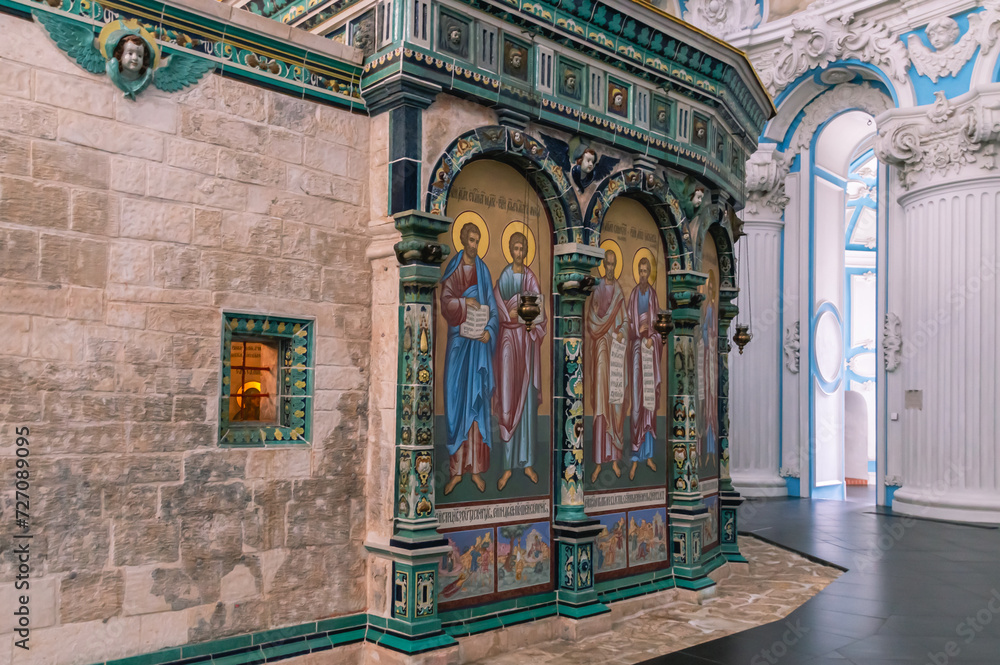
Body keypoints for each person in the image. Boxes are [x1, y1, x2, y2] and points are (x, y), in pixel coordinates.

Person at [440, 223, 499, 494]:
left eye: (477, 241)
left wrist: (489, 331)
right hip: (458, 344)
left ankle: (474, 469)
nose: (474, 245)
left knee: (477, 408)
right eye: (471, 240)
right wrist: (466, 304)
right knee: (456, 405)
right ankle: (454, 470)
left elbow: (494, 312)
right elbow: (445, 302)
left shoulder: (484, 271)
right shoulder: (453, 268)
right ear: (463, 240)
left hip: (478, 351)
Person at [493, 230, 546, 490]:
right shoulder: (504, 276)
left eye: (522, 248)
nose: (518, 252)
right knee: (507, 400)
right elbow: (497, 304)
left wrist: (528, 321)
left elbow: (539, 312)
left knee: (525, 405)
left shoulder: (530, 277)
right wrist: (510, 313)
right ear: (510, 250)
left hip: (525, 343)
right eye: (514, 248)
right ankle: (505, 467)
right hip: (507, 342)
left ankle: (526, 463)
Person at [586, 248, 628, 482]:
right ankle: (599, 461)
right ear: (603, 266)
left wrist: (621, 333)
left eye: (613, 264)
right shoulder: (598, 289)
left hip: (617, 352)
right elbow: (592, 320)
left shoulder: (620, 291)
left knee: (616, 402)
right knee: (602, 401)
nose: (610, 268)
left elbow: (626, 322)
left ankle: (614, 458)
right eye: (607, 264)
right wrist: (605, 331)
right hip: (602, 347)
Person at [627, 257, 663, 480]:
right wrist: (637, 330)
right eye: (639, 271)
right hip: (637, 351)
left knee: (649, 401)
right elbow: (628, 323)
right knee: (637, 401)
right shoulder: (633, 296)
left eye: (645, 271)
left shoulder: (653, 296)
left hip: (649, 351)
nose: (642, 275)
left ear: (649, 273)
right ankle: (634, 453)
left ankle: (648, 454)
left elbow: (661, 327)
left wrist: (652, 336)